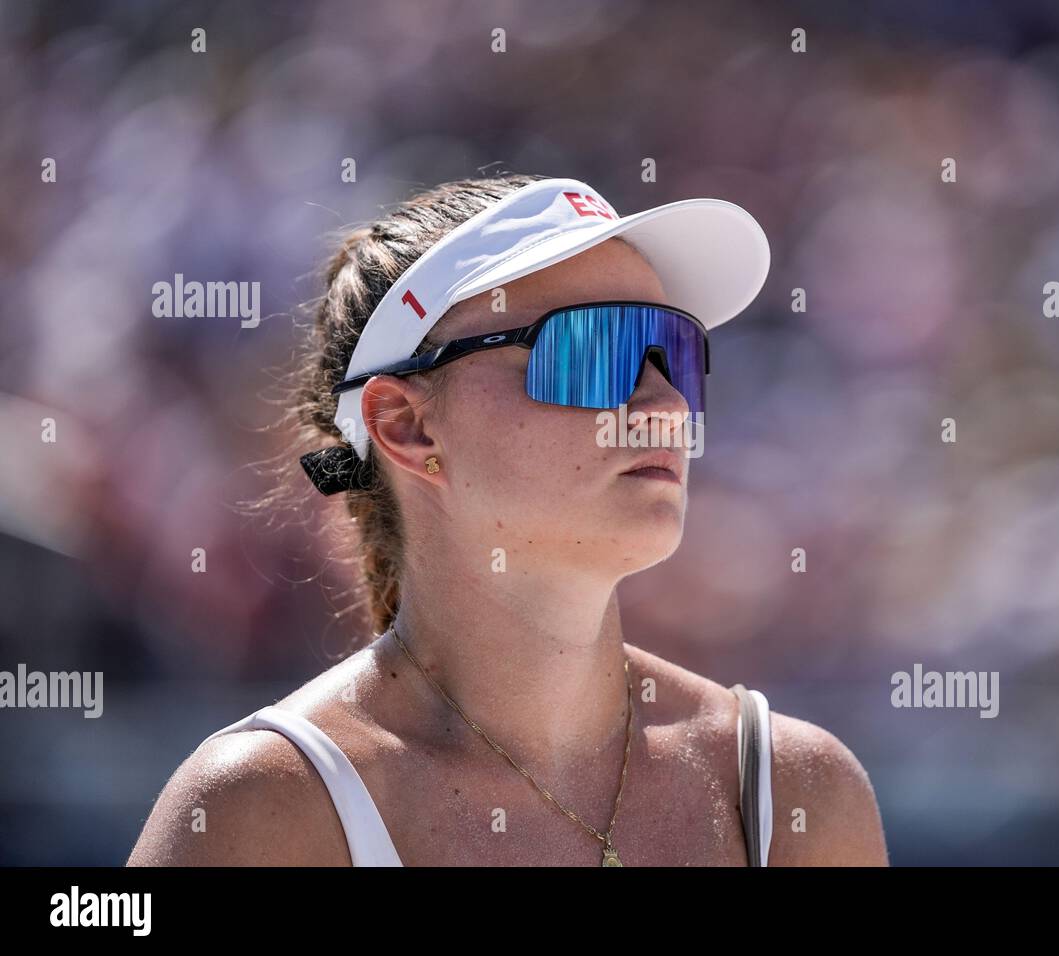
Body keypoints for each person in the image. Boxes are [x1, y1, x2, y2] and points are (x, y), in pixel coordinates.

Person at [127, 174, 888, 866]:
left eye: (674, 354)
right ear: (407, 427)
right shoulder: (260, 811)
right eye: (595, 351)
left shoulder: (797, 792)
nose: (666, 408)